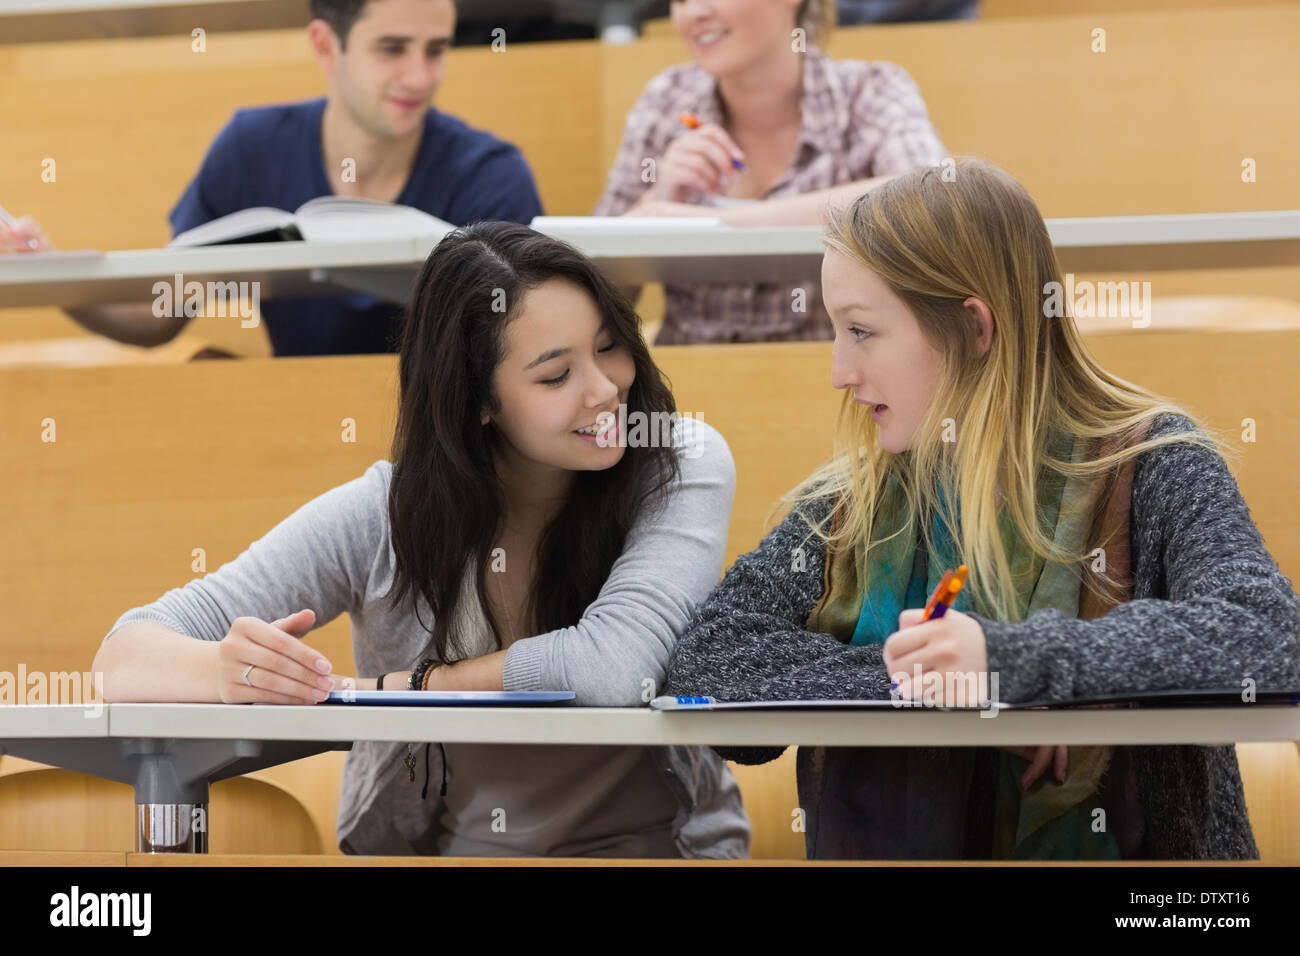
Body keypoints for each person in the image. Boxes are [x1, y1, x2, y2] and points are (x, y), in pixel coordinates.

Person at [663, 158, 1300, 860]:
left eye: (862, 331)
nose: (839, 372)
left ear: (973, 329)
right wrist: (935, 681)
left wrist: (1012, 663)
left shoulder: (1156, 461)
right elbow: (706, 664)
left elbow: (1267, 636)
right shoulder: (847, 500)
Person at [93, 221, 750, 858]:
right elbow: (122, 656)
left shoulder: (679, 460)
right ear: (476, 401)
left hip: (659, 853)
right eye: (555, 376)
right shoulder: (386, 513)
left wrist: (419, 683)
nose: (607, 391)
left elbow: (615, 670)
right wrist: (225, 672)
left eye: (610, 347)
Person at [0, 0, 543, 357]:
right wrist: (50, 268)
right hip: (295, 434)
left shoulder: (489, 175)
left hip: (442, 446)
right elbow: (160, 312)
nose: (420, 77)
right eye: (393, 49)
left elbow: (523, 349)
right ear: (326, 46)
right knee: (209, 368)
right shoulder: (251, 148)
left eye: (437, 50)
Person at [594, 0, 947, 344]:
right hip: (688, 383)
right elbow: (596, 303)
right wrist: (656, 203)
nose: (695, 12)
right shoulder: (666, 100)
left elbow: (930, 198)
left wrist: (715, 224)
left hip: (839, 377)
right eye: (681, 0)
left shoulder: (870, 89)